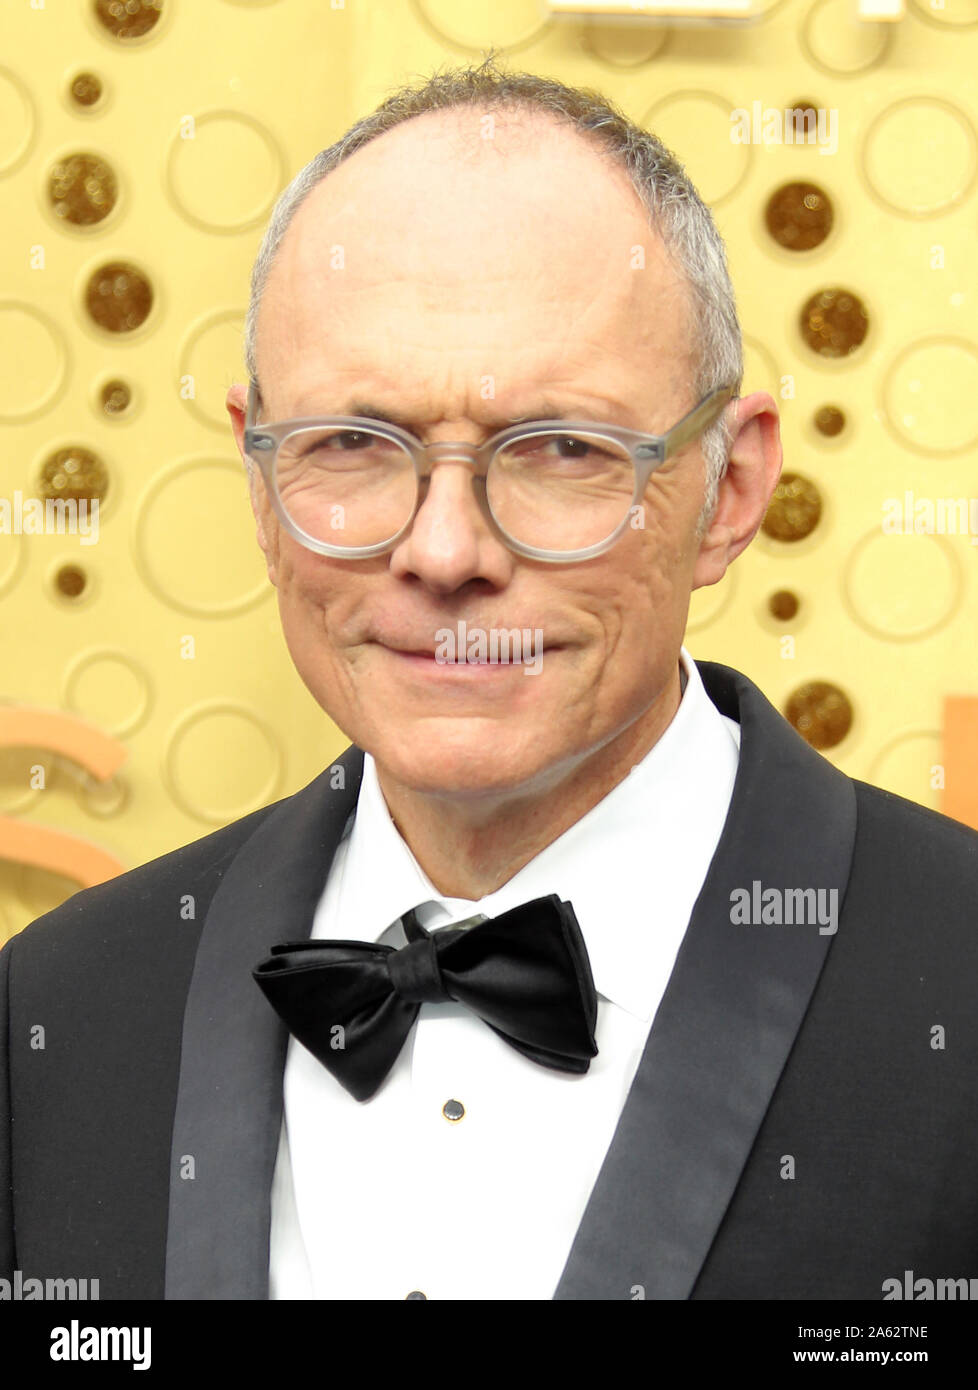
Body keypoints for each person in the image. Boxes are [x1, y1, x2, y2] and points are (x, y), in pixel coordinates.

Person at [3, 59, 978, 1303]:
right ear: (259, 486)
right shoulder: (60, 1011)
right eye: (353, 444)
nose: (446, 552)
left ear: (731, 492)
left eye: (559, 449)